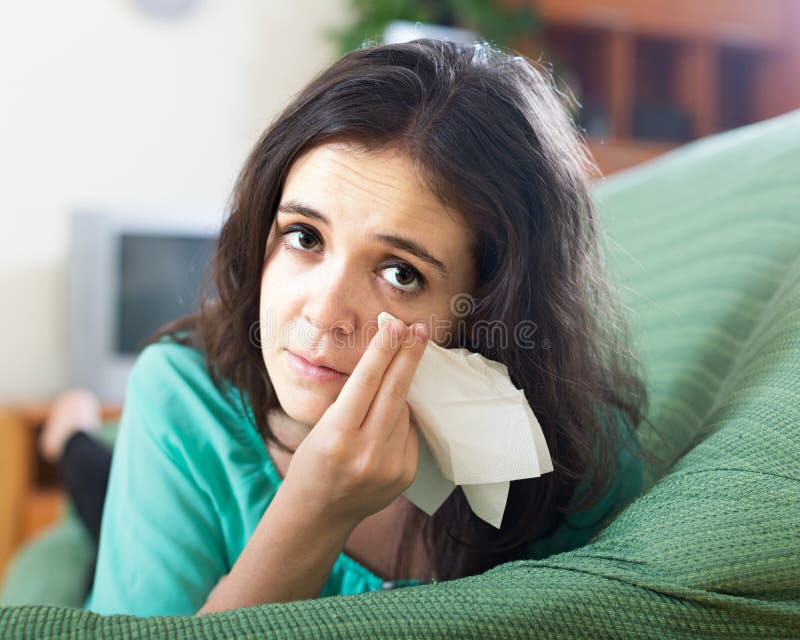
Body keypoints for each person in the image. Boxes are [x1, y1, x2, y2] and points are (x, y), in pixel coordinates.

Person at [78, 38, 652, 617]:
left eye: (400, 273)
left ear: (483, 306)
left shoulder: (575, 454)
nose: (323, 314)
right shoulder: (179, 391)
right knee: (85, 474)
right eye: (304, 236)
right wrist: (314, 511)